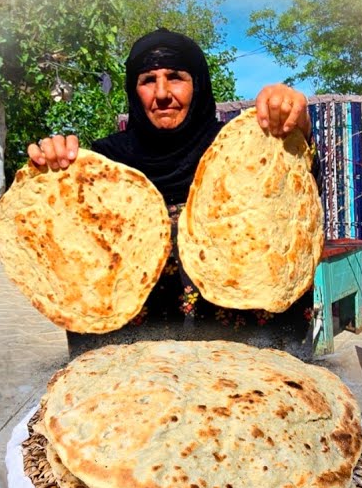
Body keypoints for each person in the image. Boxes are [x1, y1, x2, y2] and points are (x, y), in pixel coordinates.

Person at [27, 29, 317, 354]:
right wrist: (51, 171)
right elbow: (70, 254)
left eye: (176, 77)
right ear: (132, 90)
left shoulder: (241, 153)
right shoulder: (104, 165)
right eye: (147, 80)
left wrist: (297, 123)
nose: (162, 93)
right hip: (136, 367)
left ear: (199, 84)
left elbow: (292, 199)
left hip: (241, 363)